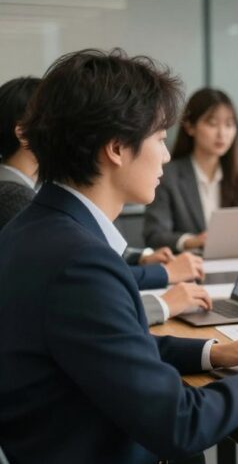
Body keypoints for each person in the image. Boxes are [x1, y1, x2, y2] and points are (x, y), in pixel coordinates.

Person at [0, 49, 238, 464]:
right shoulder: (79, 261)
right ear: (116, 148)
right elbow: (180, 425)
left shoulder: (37, 230)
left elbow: (110, 346)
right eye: (158, 136)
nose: (167, 153)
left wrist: (215, 353)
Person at [0, 76, 208, 324]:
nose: (165, 156)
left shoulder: (44, 206)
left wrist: (209, 352)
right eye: (160, 139)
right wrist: (163, 284)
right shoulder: (21, 202)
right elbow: (93, 295)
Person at [144, 87, 238, 252]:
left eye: (229, 124)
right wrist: (192, 241)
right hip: (189, 267)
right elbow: (154, 235)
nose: (222, 133)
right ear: (190, 127)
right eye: (212, 123)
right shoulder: (168, 176)